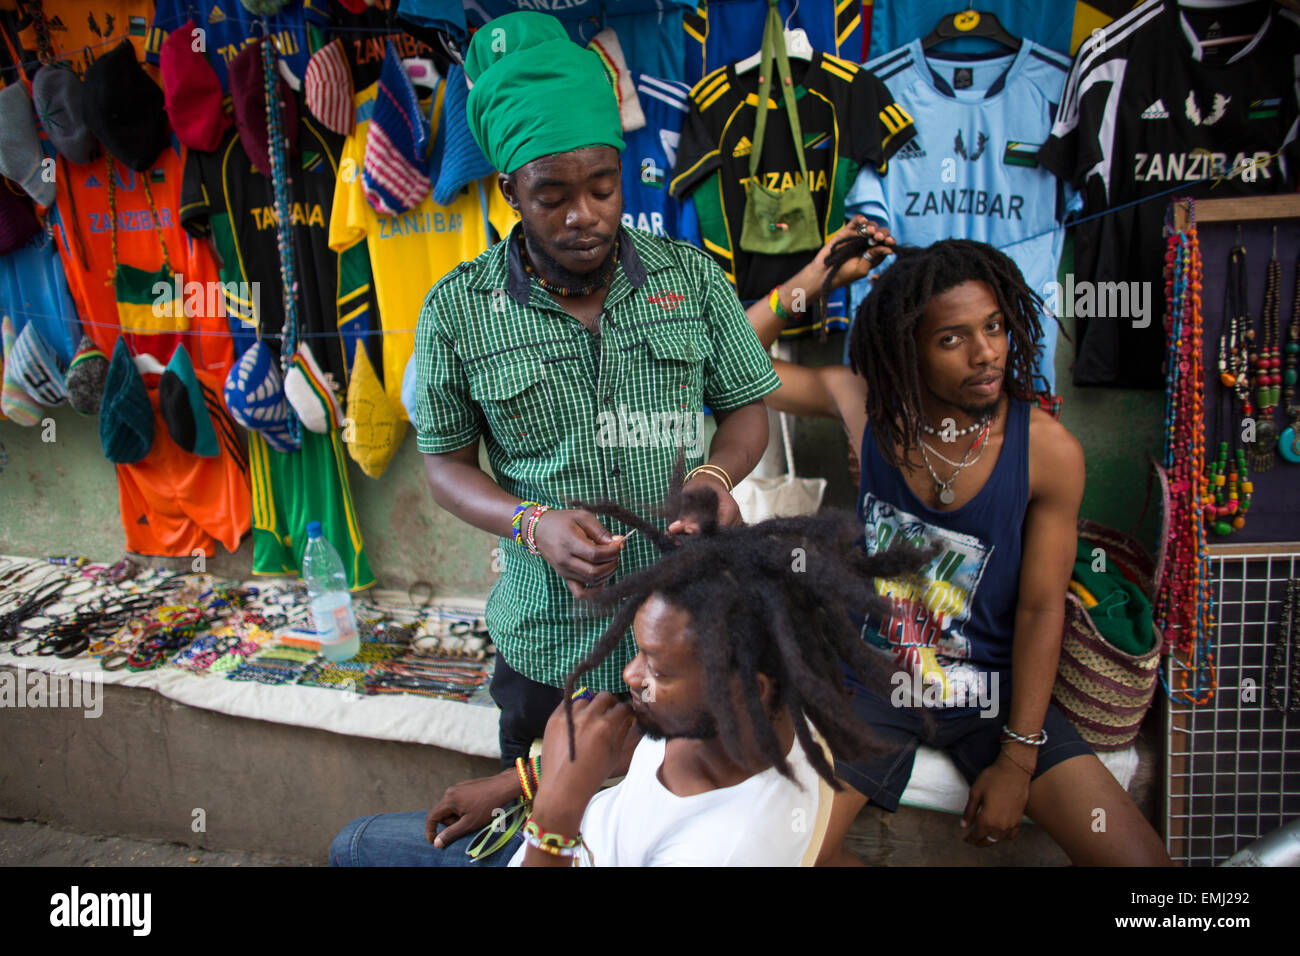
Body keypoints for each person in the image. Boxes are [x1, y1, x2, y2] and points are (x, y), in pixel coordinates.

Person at [407, 12, 780, 767]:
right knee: (556, 825)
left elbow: (747, 407)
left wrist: (712, 478)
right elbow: (445, 468)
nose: (585, 216)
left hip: (683, 649)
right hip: (551, 650)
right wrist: (529, 523)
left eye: (603, 187)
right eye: (553, 197)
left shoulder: (691, 279)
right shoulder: (456, 309)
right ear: (511, 190)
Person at [746, 229, 1173, 866]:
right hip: (873, 684)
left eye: (995, 327)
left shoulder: (1047, 453)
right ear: (907, 348)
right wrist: (820, 276)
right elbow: (730, 360)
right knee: (780, 858)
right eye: (952, 338)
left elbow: (1039, 612)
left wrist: (1019, 759)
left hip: (991, 695)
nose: (985, 354)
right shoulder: (868, 407)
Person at [330, 493, 931, 866]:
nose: (628, 675)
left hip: (552, 849)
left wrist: (557, 817)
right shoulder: (746, 724)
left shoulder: (721, 854)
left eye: (655, 667)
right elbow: (631, 755)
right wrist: (525, 778)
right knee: (357, 839)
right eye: (638, 651)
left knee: (351, 849)